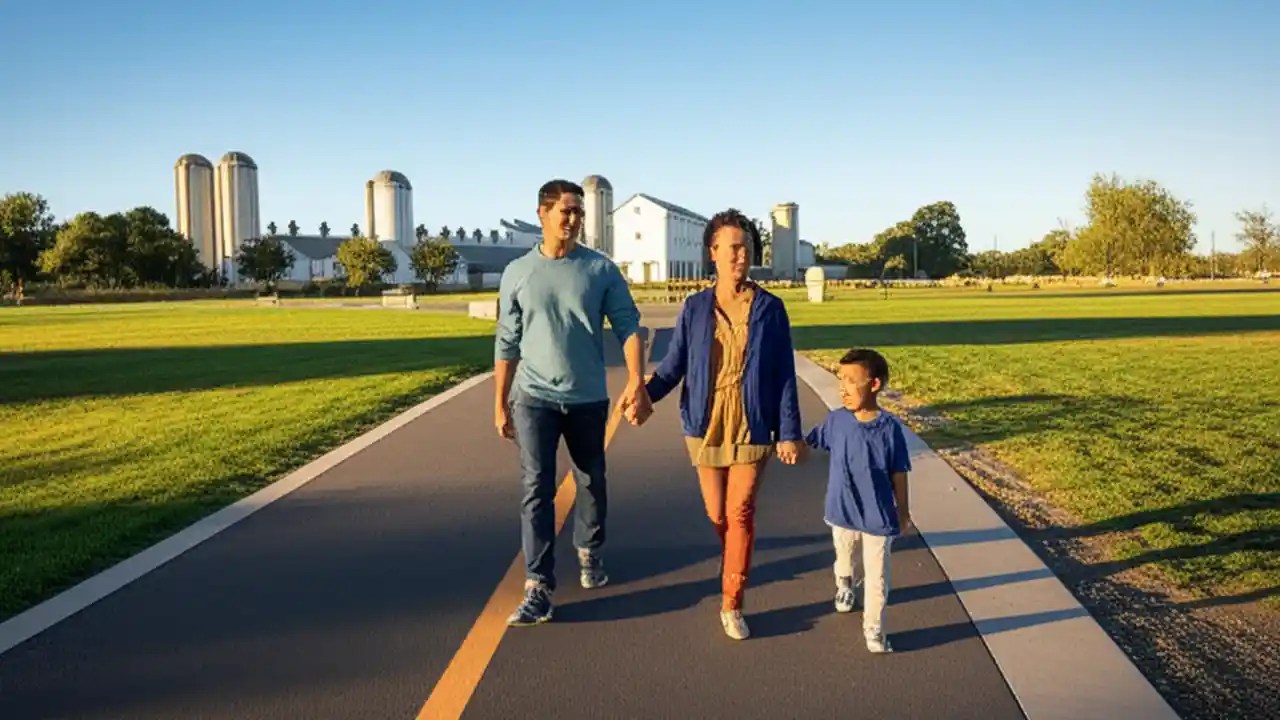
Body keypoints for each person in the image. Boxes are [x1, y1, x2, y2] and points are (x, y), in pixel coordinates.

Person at [638, 208, 803, 640]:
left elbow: (784, 373)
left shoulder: (770, 308)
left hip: (752, 423)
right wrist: (643, 396)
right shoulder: (694, 308)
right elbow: (673, 368)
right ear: (712, 253)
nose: (739, 256)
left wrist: (788, 432)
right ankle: (734, 555)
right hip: (706, 424)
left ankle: (733, 601)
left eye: (745, 248)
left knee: (741, 512)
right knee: (718, 514)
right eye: (731, 248)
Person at [494, 178, 651, 626]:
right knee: (535, 488)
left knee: (590, 480)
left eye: (580, 212)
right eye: (566, 210)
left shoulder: (601, 270)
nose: (574, 219)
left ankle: (588, 549)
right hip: (534, 397)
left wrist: (636, 381)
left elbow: (628, 327)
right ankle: (538, 586)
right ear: (543, 213)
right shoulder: (518, 273)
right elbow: (506, 342)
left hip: (586, 399)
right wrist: (500, 403)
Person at [804, 348, 913, 653]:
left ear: (874, 384)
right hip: (841, 510)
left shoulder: (890, 429)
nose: (843, 387)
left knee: (878, 575)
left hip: (878, 515)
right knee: (844, 556)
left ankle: (874, 629)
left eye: (852, 381)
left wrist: (903, 511)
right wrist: (783, 442)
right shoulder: (836, 421)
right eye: (841, 379)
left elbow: (899, 472)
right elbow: (809, 440)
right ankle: (844, 585)